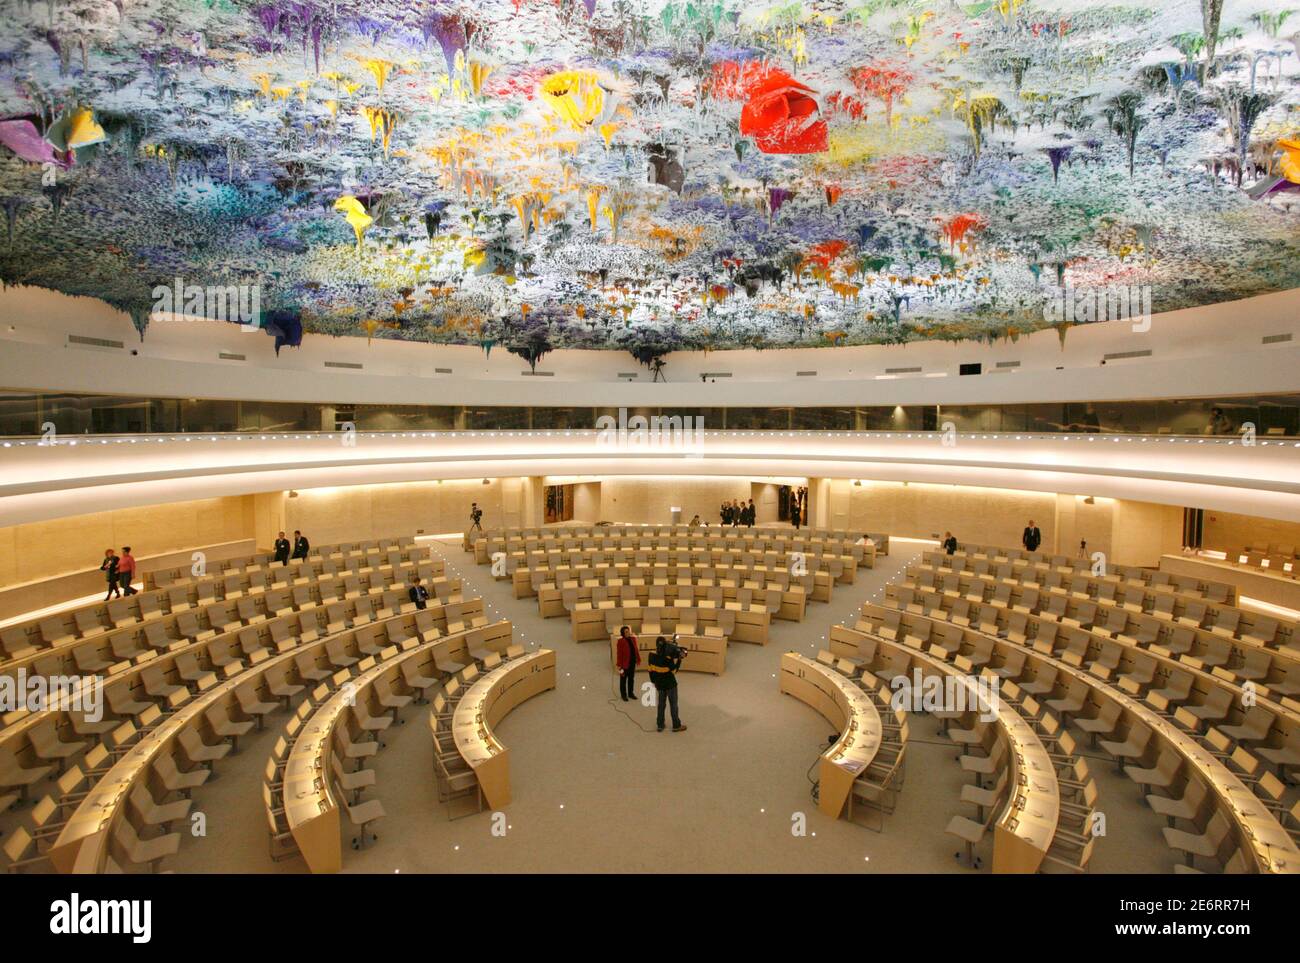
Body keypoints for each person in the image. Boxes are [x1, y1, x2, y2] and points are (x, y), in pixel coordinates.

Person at [647, 635, 687, 732]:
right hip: (670, 685)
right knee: (673, 705)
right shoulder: (668, 658)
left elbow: (650, 670)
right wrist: (679, 660)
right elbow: (674, 671)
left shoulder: (651, 656)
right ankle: (676, 725)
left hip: (659, 684)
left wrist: (655, 683)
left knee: (661, 705)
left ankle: (660, 725)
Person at [615, 625, 641, 702]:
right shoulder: (620, 641)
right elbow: (619, 654)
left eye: (628, 631)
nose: (628, 633)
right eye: (626, 632)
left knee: (631, 679)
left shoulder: (633, 639)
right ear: (623, 633)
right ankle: (623, 695)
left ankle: (630, 693)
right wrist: (619, 665)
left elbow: (636, 650)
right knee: (623, 680)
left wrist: (638, 659)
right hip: (624, 664)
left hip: (632, 663)